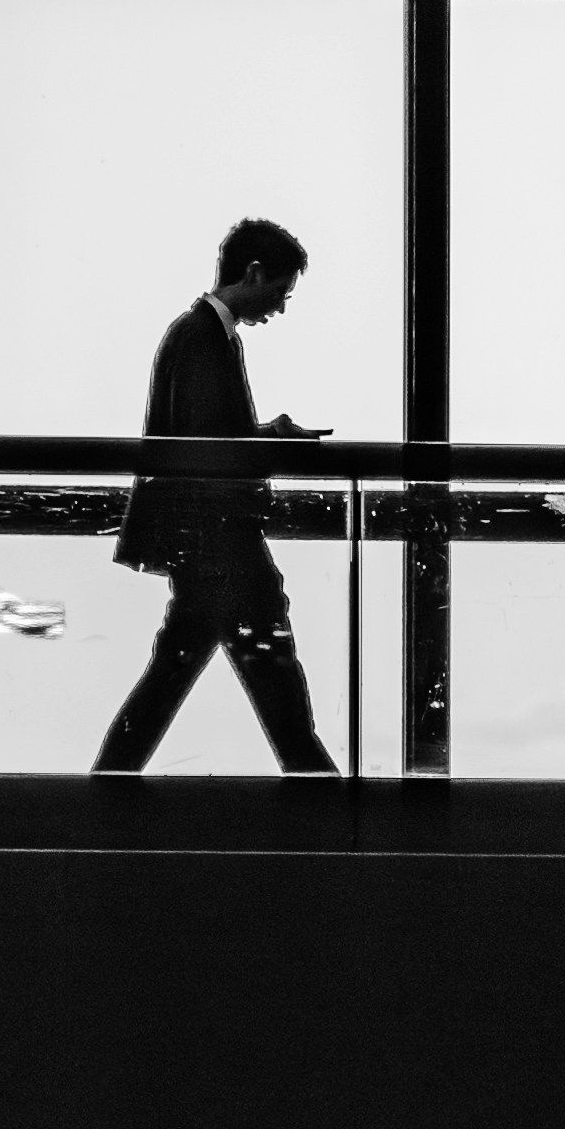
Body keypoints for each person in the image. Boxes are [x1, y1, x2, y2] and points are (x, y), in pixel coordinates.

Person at [94, 216, 340, 774]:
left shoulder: (197, 334)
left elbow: (205, 439)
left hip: (205, 551)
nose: (279, 308)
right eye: (280, 292)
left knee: (174, 678)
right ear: (253, 274)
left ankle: (107, 787)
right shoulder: (204, 339)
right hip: (222, 549)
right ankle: (321, 796)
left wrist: (267, 435)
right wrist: (271, 443)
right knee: (269, 686)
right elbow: (212, 450)